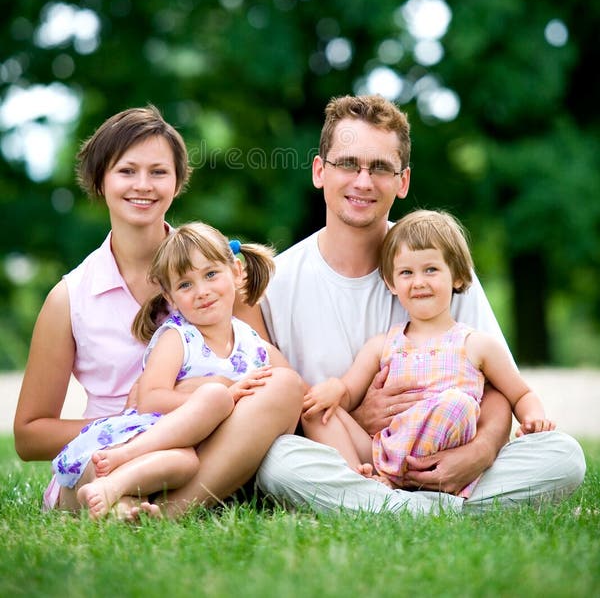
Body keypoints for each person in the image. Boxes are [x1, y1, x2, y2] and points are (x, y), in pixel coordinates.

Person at [235, 94, 585, 515]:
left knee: (564, 455)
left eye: (380, 167)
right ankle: (438, 512)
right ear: (319, 171)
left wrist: (482, 451)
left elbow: (498, 386)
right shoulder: (276, 283)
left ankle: (386, 510)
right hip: (353, 460)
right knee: (279, 462)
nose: (363, 182)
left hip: (451, 452)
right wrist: (361, 417)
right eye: (348, 163)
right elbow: (275, 411)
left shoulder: (438, 263)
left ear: (402, 181)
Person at [13, 106, 303, 516]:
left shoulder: (212, 277)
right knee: (118, 466)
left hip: (209, 444)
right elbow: (28, 435)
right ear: (100, 180)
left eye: (158, 172)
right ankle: (128, 499)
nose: (143, 186)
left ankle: (166, 512)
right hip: (116, 452)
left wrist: (194, 400)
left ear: (178, 182)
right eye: (127, 171)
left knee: (285, 385)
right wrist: (135, 421)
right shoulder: (70, 298)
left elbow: (259, 374)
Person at [302, 210, 555, 496]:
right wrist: (334, 390)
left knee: (459, 404)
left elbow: (520, 394)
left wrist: (534, 417)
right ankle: (361, 481)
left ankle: (394, 488)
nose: (419, 282)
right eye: (406, 273)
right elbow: (348, 391)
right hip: (383, 451)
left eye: (431, 270)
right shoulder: (383, 345)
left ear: (458, 277)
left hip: (447, 460)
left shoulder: (475, 344)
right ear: (391, 283)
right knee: (316, 412)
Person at [52, 222, 294, 519]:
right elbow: (150, 399)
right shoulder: (178, 337)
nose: (202, 291)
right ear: (170, 297)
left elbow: (295, 393)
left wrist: (340, 391)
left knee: (186, 461)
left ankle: (125, 507)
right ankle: (113, 483)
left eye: (211, 274)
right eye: (185, 285)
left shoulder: (254, 346)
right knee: (202, 422)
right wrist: (223, 397)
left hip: (188, 456)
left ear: (236, 271)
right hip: (148, 441)